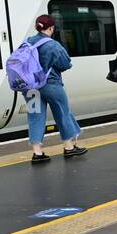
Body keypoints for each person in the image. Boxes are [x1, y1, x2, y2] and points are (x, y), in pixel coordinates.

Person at [23, 15, 86, 163]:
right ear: (51, 28)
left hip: (30, 87)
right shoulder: (53, 45)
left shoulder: (27, 42)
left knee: (34, 117)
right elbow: (65, 64)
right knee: (63, 113)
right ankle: (69, 147)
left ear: (37, 28)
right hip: (50, 85)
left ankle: (37, 153)